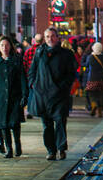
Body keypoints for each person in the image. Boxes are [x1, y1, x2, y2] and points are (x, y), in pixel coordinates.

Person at [26, 26, 77, 160]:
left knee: (60, 122)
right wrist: (32, 84)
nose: (50, 39)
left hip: (59, 94)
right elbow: (32, 70)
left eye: (52, 36)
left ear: (58, 38)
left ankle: (61, 149)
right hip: (42, 94)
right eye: (47, 36)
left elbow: (71, 74)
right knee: (46, 125)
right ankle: (51, 150)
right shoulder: (39, 52)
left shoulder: (66, 54)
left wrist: (63, 87)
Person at [0, 35, 27, 159]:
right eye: (2, 45)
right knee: (4, 124)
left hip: (15, 96)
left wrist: (25, 94)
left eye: (7, 45)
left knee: (15, 123)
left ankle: (17, 145)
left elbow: (22, 78)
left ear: (11, 46)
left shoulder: (16, 60)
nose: (5, 48)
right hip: (1, 97)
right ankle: (9, 149)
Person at [83, 43, 103, 118]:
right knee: (100, 95)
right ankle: (99, 112)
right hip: (101, 79)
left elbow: (86, 65)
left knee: (91, 94)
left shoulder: (90, 57)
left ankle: (94, 105)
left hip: (92, 79)